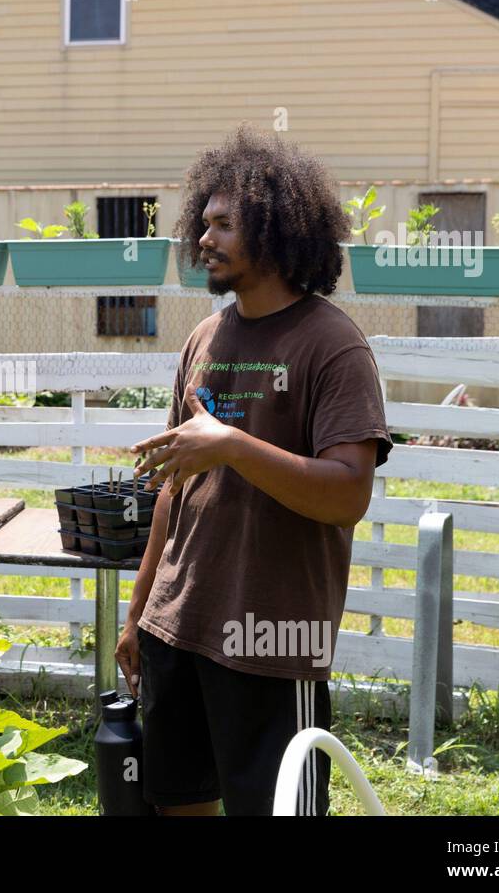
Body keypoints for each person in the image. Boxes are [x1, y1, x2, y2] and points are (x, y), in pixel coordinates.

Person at [116, 125, 393, 815]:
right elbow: (171, 489)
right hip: (179, 627)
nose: (202, 239)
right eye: (201, 222)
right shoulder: (204, 338)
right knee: (178, 800)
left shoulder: (332, 346)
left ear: (274, 231)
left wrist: (233, 446)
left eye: (222, 224)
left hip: (272, 641)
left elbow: (347, 494)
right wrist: (140, 611)